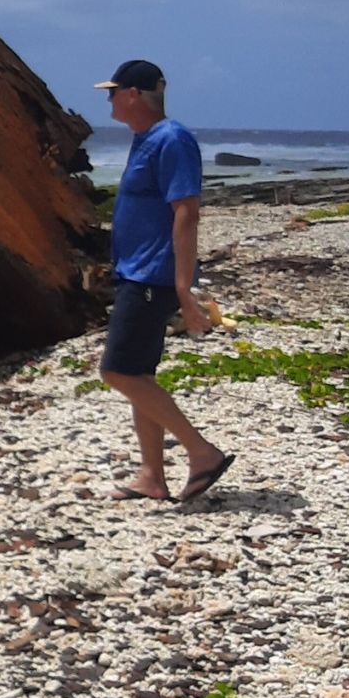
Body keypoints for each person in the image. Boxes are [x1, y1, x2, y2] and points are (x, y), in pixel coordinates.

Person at [95, 59, 235, 503]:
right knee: (140, 373)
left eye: (112, 91)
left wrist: (182, 287)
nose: (109, 99)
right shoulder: (146, 140)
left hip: (152, 276)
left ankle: (202, 453)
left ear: (134, 94)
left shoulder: (171, 140)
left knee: (116, 371)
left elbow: (186, 213)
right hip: (138, 271)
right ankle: (152, 476)